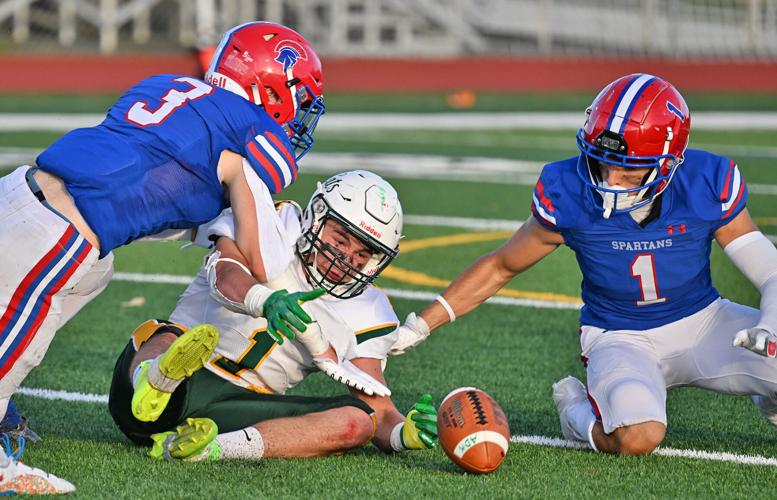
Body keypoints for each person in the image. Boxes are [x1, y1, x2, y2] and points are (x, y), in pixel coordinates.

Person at [0, 21, 326, 494]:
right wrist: (270, 290)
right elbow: (255, 253)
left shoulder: (168, 86)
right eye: (302, 103)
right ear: (274, 90)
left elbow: (161, 181)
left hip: (19, 190)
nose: (299, 120)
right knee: (19, 339)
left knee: (95, 272)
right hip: (59, 229)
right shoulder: (252, 130)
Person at [390, 73, 777, 456]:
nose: (609, 178)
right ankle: (576, 411)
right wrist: (422, 324)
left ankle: (770, 400)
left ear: (670, 162)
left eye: (628, 167)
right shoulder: (571, 190)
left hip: (704, 321)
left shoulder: (704, 182)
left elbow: (769, 269)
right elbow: (501, 266)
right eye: (602, 161)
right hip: (620, 335)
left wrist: (770, 322)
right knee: (637, 438)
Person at [108, 170, 438, 461]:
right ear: (315, 217)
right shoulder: (273, 223)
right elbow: (226, 274)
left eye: (362, 253)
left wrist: (402, 435)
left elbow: (377, 406)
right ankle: (154, 382)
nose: (346, 259)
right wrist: (265, 301)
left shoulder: (368, 308)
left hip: (237, 407)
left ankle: (212, 449)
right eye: (341, 240)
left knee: (357, 420)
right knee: (166, 336)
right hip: (174, 376)